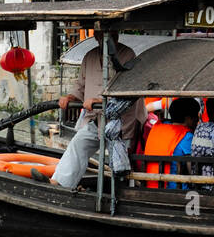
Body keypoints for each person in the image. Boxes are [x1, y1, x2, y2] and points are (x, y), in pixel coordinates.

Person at [35, 32, 145, 189]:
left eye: (111, 36)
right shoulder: (90, 56)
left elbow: (128, 91)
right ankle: (59, 183)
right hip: (96, 119)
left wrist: (100, 101)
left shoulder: (127, 54)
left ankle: (125, 193)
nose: (107, 39)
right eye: (103, 36)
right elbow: (80, 85)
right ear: (97, 37)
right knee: (78, 144)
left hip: (120, 122)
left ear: (117, 37)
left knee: (120, 160)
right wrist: (70, 97)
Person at [142, 97, 200, 189]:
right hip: (173, 190)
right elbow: (192, 170)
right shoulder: (187, 136)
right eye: (196, 117)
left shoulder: (156, 128)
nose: (197, 120)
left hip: (150, 186)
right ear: (188, 118)